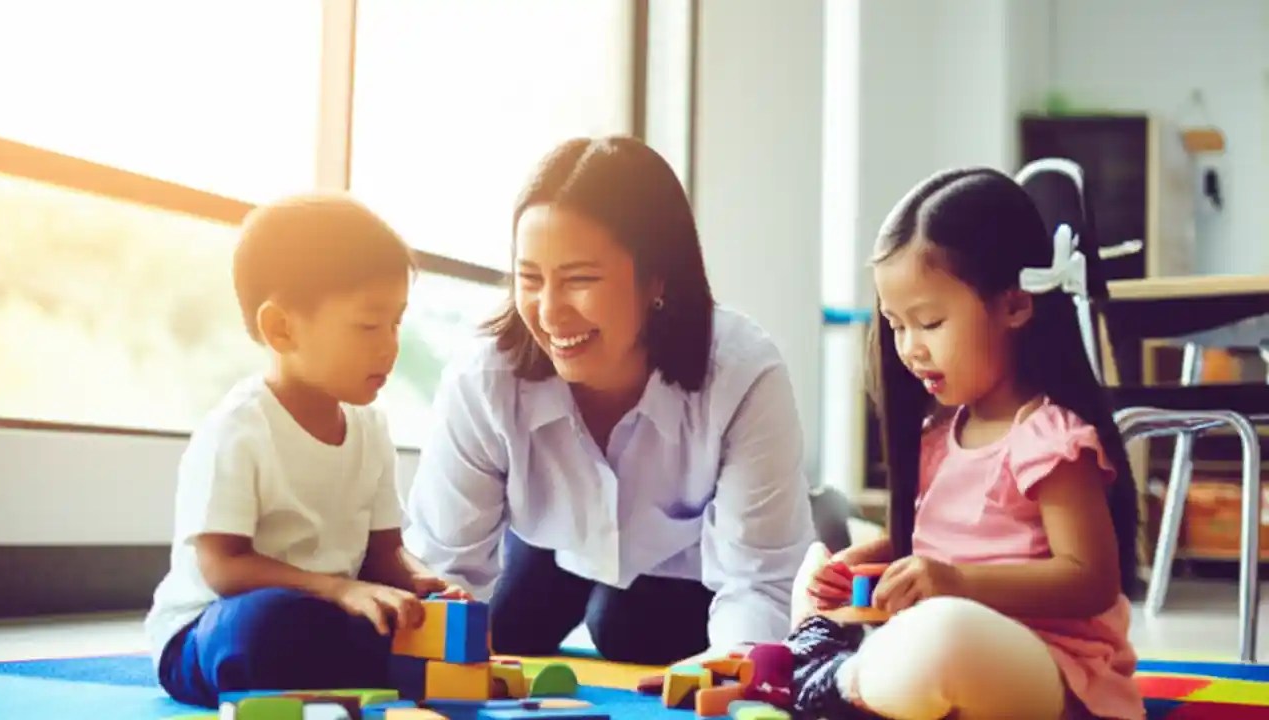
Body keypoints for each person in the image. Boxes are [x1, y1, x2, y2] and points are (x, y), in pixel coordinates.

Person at [403, 136, 815, 665]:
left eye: (580, 280)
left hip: (686, 561)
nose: (549, 313)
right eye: (530, 278)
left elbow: (761, 581)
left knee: (625, 626)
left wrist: (737, 666)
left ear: (656, 279)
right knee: (499, 628)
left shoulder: (742, 371)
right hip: (551, 542)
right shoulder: (484, 377)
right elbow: (443, 565)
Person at [793, 169, 1145, 719]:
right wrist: (869, 563)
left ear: (1015, 306)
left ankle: (838, 676)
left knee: (945, 637)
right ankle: (851, 672)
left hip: (1050, 673)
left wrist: (957, 584)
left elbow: (1093, 579)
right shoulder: (939, 435)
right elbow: (941, 540)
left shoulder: (1049, 439)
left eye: (929, 322)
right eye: (896, 325)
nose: (910, 349)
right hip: (948, 661)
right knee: (813, 570)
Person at [145, 194, 465, 708]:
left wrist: (425, 584)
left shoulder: (371, 428)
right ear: (282, 328)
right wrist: (337, 590)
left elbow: (386, 554)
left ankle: (342, 674)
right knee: (265, 625)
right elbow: (223, 568)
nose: (390, 346)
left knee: (411, 628)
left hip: (328, 611)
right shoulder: (240, 428)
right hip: (211, 626)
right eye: (368, 325)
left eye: (396, 323)